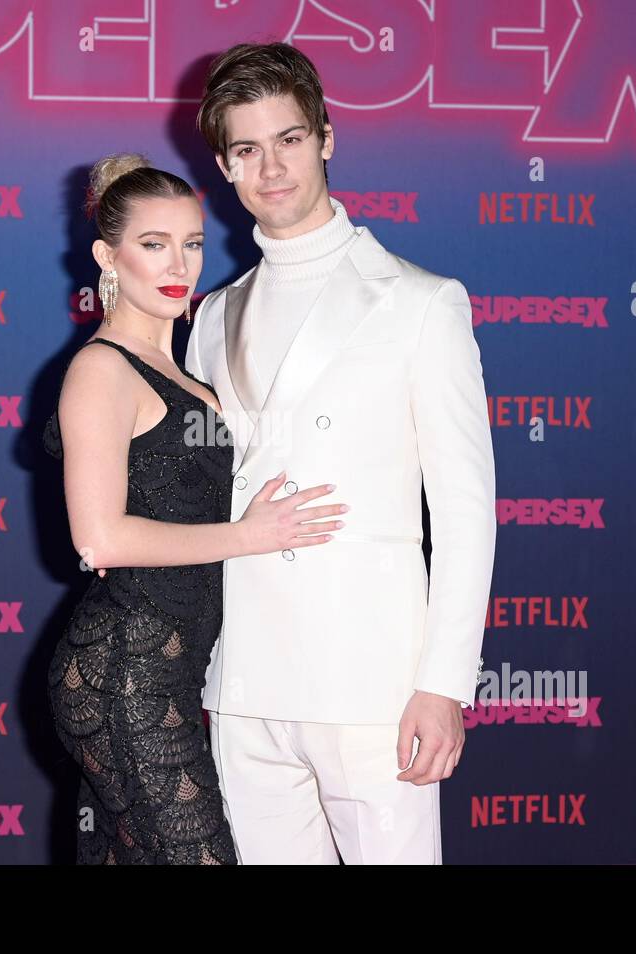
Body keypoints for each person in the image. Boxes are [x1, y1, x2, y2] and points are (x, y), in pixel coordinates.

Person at [185, 43, 498, 864]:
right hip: (246, 683)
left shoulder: (423, 304)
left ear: (326, 137)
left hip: (374, 690)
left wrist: (444, 684)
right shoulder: (212, 316)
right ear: (224, 165)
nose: (272, 167)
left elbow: (465, 514)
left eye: (289, 139)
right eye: (247, 149)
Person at [42, 153, 349, 864]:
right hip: (125, 670)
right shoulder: (100, 369)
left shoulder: (187, 371)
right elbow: (99, 539)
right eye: (153, 244)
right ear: (106, 256)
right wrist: (248, 537)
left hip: (174, 670)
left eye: (192, 243)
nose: (178, 263)